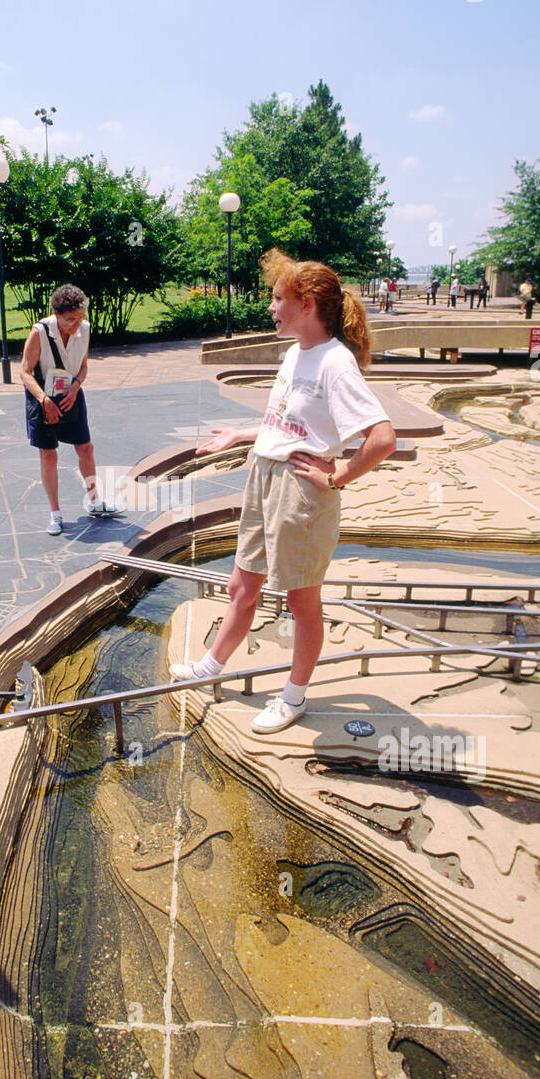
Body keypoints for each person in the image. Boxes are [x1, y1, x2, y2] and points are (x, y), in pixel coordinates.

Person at [170, 250, 396, 734]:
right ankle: (211, 666)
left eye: (277, 299)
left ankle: (293, 698)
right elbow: (291, 424)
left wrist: (336, 478)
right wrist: (243, 435)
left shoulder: (336, 363)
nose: (270, 308)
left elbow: (382, 439)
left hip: (300, 492)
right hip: (264, 476)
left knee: (301, 602)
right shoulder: (296, 352)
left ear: (308, 303)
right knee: (241, 585)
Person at [20, 284, 121, 535]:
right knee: (48, 454)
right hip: (42, 396)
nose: (75, 325)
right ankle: (55, 513)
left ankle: (95, 502)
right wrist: (44, 401)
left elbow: (84, 366)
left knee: (85, 448)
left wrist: (76, 386)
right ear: (55, 313)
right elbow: (24, 371)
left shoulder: (84, 330)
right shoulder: (40, 332)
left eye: (79, 318)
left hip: (71, 393)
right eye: (69, 320)